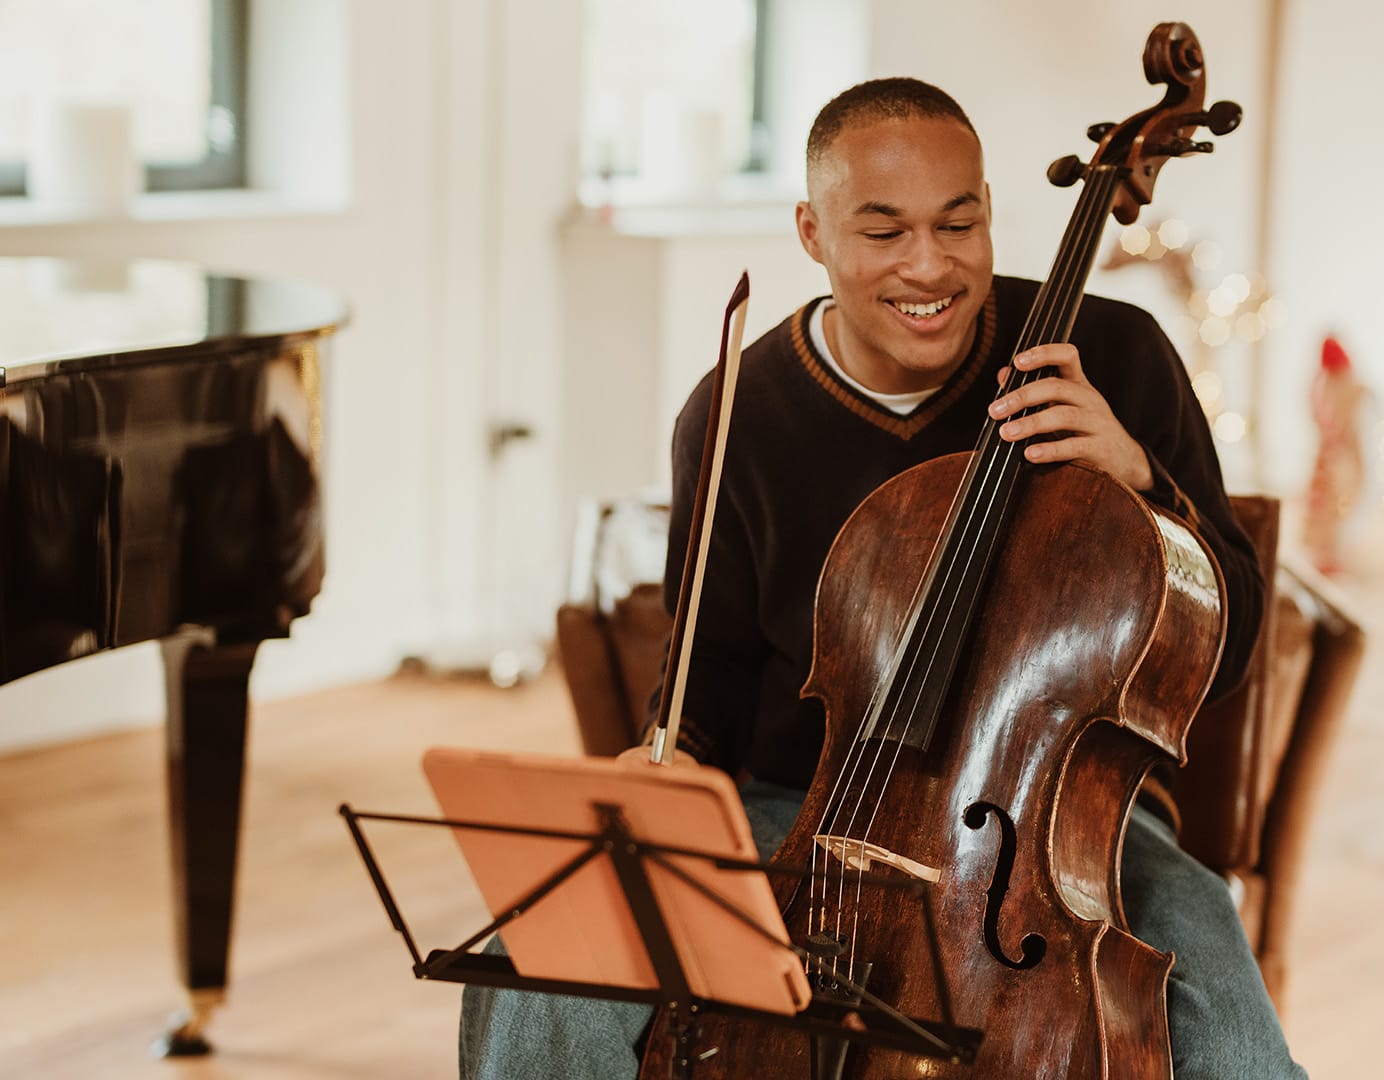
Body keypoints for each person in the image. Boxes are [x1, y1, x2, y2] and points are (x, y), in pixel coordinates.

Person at [462, 77, 1303, 1080]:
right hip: (804, 813)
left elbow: (1235, 640)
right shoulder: (736, 413)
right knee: (531, 959)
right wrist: (674, 763)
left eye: (961, 222)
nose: (929, 266)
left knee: (1228, 1038)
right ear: (813, 232)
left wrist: (1139, 478)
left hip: (1064, 838)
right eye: (883, 232)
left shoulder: (1112, 356)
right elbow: (707, 684)